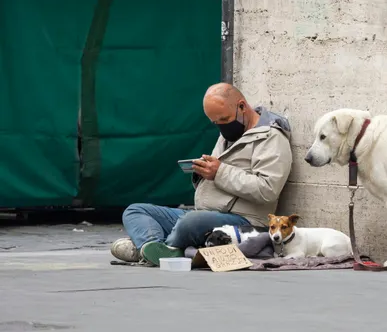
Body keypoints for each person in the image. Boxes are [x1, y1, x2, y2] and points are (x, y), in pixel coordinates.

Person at [110, 83, 292, 266]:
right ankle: (152, 247)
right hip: (206, 214)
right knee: (135, 211)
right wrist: (202, 172)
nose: (221, 127)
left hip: (243, 220)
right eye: (215, 123)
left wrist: (219, 172)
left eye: (223, 119)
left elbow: (268, 189)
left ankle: (154, 248)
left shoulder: (271, 137)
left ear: (242, 106)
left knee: (189, 223)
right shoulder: (231, 132)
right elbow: (218, 176)